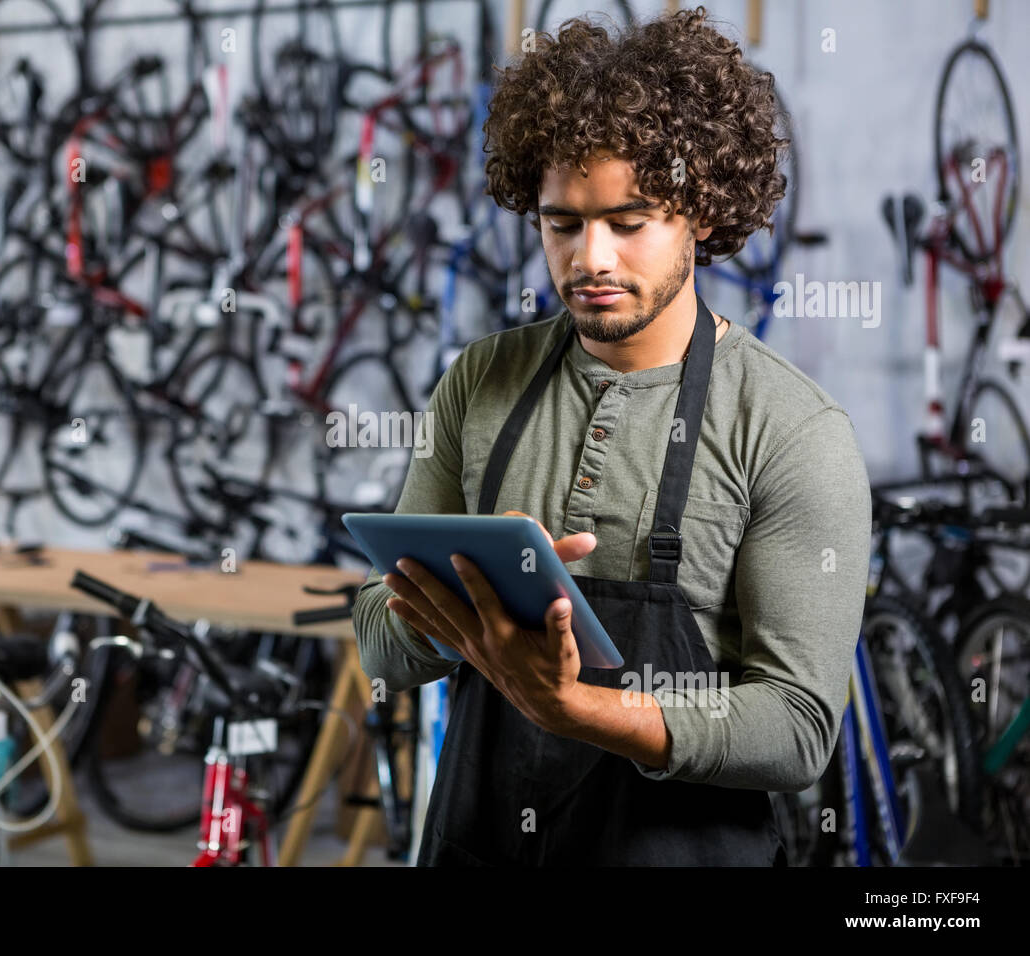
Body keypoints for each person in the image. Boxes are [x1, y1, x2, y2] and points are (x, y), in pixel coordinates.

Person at [350, 7, 872, 865]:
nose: (591, 257)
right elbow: (376, 633)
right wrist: (467, 615)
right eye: (562, 223)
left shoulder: (791, 431)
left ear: (700, 212)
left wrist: (578, 708)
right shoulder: (479, 382)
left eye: (629, 222)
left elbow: (796, 727)